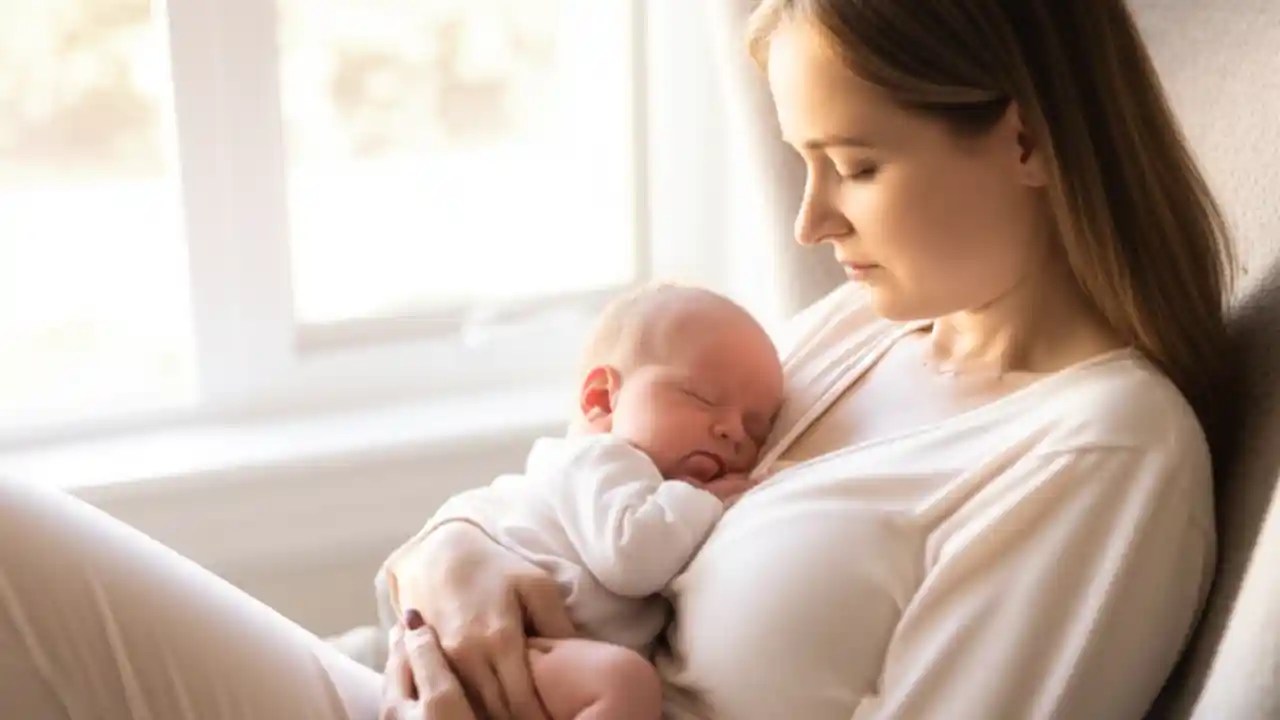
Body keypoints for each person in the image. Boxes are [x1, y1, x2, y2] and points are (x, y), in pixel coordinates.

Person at [0, 1, 1234, 719]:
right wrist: (457, 555)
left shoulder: (1099, 453)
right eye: (802, 162)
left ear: (1026, 136)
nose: (810, 223)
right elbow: (583, 481)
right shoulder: (869, 330)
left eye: (853, 166)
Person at [378, 284, 782, 719]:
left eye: (756, 428)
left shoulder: (649, 490)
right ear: (601, 399)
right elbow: (632, 558)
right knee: (623, 684)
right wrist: (707, 498)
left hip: (529, 655)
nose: (732, 431)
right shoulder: (603, 458)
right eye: (702, 397)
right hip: (511, 646)